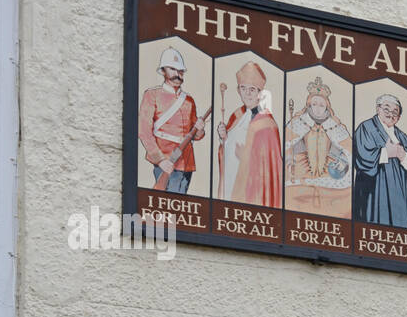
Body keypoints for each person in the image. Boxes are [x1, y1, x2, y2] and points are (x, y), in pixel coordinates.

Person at [137, 47, 205, 194]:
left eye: (180, 71)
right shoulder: (152, 95)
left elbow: (196, 135)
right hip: (167, 159)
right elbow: (144, 131)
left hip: (186, 162)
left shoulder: (189, 100)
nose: (177, 75)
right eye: (173, 69)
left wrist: (199, 129)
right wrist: (160, 160)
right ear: (163, 71)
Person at [217, 61, 283, 207]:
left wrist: (246, 157)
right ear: (238, 90)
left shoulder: (267, 125)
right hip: (231, 181)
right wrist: (225, 139)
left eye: (252, 89)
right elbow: (227, 149)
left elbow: (270, 167)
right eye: (243, 88)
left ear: (260, 93)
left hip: (251, 190)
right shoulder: (237, 115)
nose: (247, 93)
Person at [352, 93, 407, 228]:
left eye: (396, 112)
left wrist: (403, 157)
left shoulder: (402, 136)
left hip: (400, 197)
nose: (391, 114)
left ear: (399, 117)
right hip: (375, 193)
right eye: (386, 109)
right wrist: (386, 153)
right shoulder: (366, 128)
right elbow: (361, 158)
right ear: (378, 109)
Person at [285, 76, 351, 188]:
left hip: (329, 175)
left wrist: (341, 162)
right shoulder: (299, 122)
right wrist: (289, 157)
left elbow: (348, 150)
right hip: (302, 172)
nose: (317, 108)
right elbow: (287, 144)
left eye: (321, 105)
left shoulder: (334, 126)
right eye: (314, 104)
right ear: (309, 105)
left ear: (327, 107)